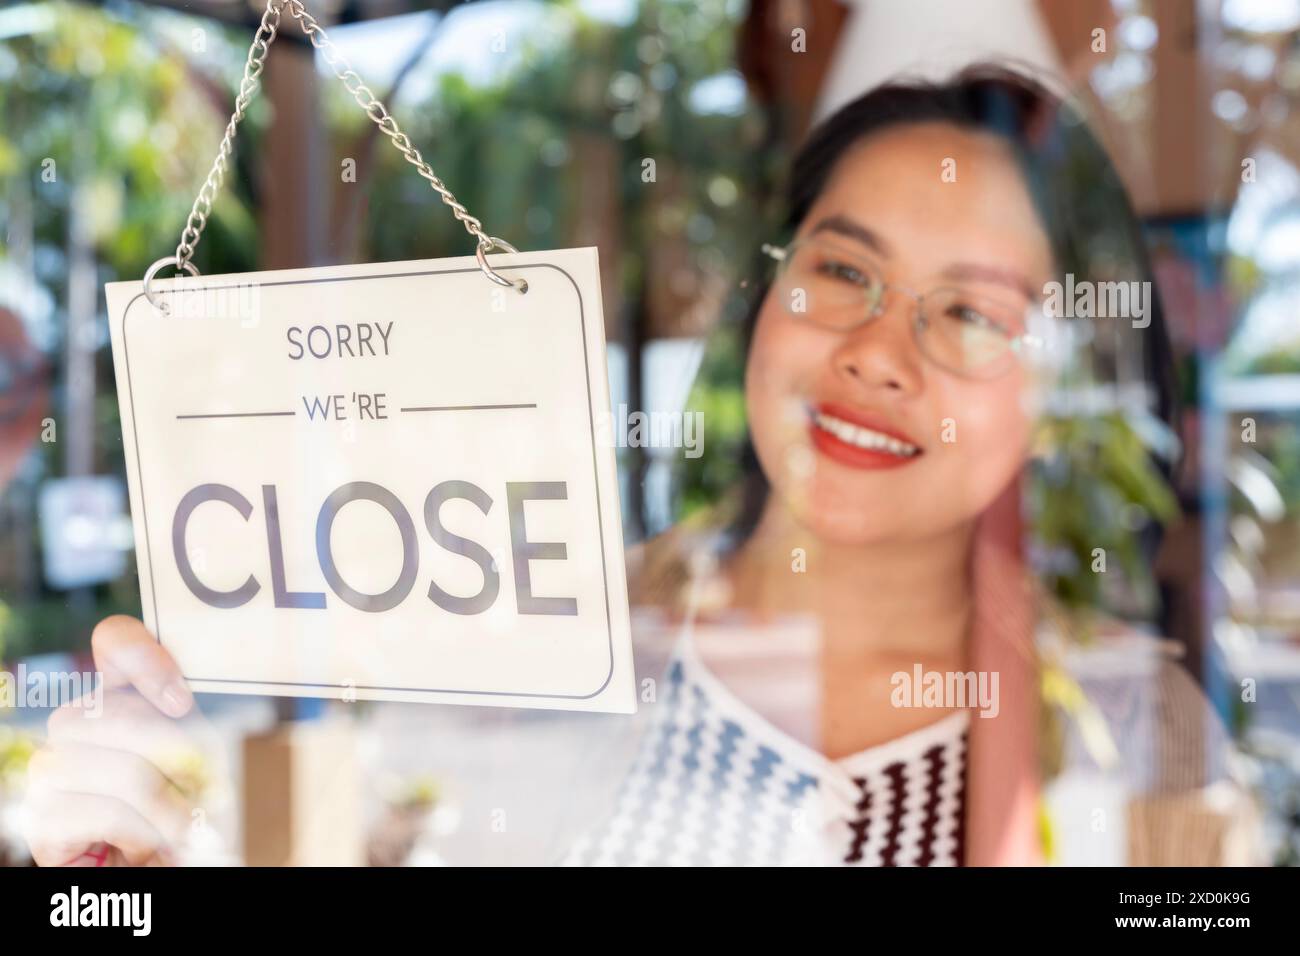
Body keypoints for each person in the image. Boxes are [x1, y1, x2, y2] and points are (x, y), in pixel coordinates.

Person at [23, 64, 1254, 867]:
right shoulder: (518, 650)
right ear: (767, 299)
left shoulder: (1144, 734)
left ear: (1061, 384)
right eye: (843, 270)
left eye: (974, 312)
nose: (879, 352)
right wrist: (119, 872)